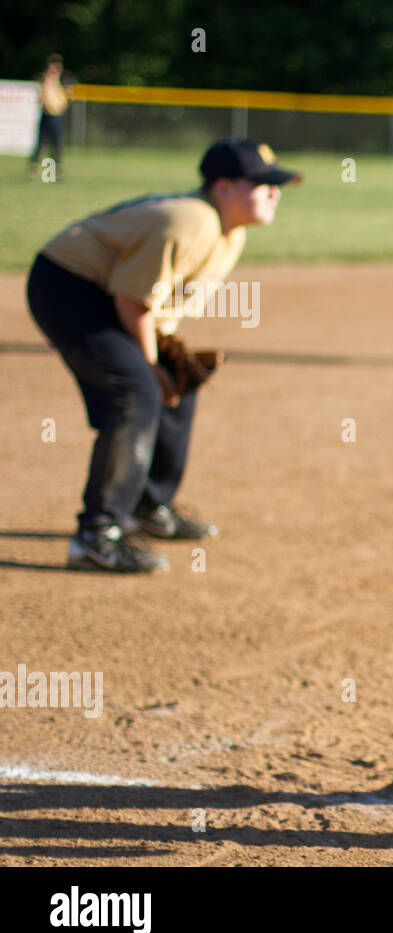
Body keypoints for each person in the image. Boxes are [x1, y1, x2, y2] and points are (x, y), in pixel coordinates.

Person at [26, 139, 300, 573]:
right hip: (68, 286)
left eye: (277, 184)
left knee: (179, 383)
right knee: (136, 392)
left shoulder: (229, 233)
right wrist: (150, 367)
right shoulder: (191, 222)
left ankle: (148, 507)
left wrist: (163, 361)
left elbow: (163, 302)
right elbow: (132, 301)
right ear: (224, 188)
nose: (275, 192)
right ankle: (97, 537)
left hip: (111, 293)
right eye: (262, 184)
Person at [28, 54, 74, 179]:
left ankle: (54, 172)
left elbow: (68, 96)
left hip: (57, 116)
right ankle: (34, 168)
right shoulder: (44, 79)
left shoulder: (64, 79)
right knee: (40, 143)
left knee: (56, 144)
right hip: (46, 114)